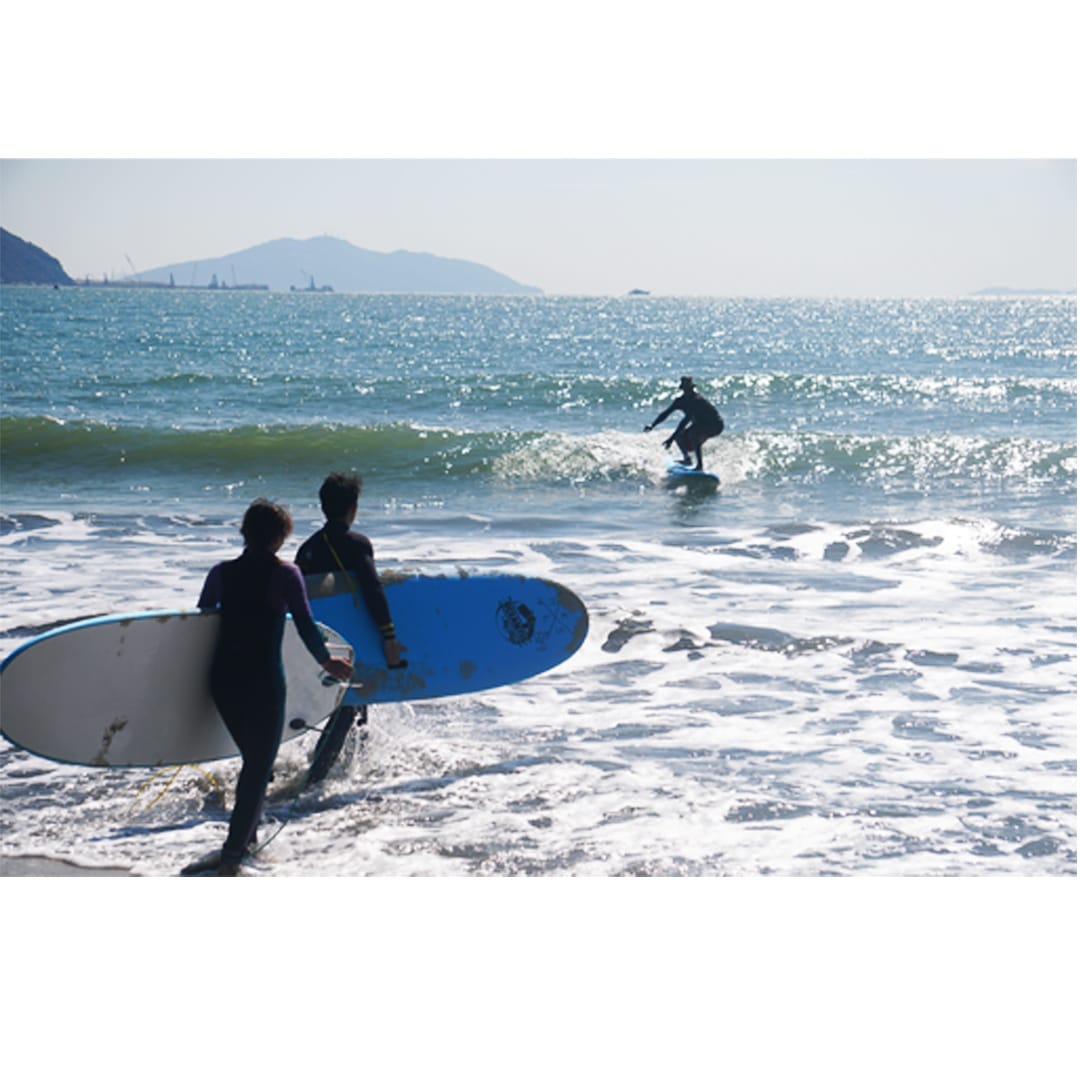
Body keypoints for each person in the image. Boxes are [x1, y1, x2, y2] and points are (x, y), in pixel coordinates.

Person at [197, 498, 352, 876]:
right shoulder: (285, 574)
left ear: (244, 531)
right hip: (262, 682)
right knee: (257, 767)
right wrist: (327, 662)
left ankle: (246, 841)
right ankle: (232, 857)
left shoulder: (220, 573)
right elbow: (305, 626)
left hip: (223, 681)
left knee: (254, 762)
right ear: (281, 536)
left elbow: (198, 626)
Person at [295, 471, 406, 784]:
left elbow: (300, 600)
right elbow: (372, 589)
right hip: (353, 640)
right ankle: (316, 779)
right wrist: (388, 636)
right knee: (352, 704)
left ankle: (344, 770)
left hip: (319, 642)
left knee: (348, 705)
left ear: (323, 506)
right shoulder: (357, 544)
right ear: (353, 507)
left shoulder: (306, 549)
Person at [644, 375, 724, 471]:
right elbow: (666, 413)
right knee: (679, 435)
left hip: (715, 425)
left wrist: (671, 439)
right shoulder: (680, 401)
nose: (688, 390)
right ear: (682, 388)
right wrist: (653, 425)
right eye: (685, 387)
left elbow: (685, 421)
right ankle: (687, 459)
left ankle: (699, 466)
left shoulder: (697, 400)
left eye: (689, 387)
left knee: (693, 434)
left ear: (692, 387)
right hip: (700, 425)